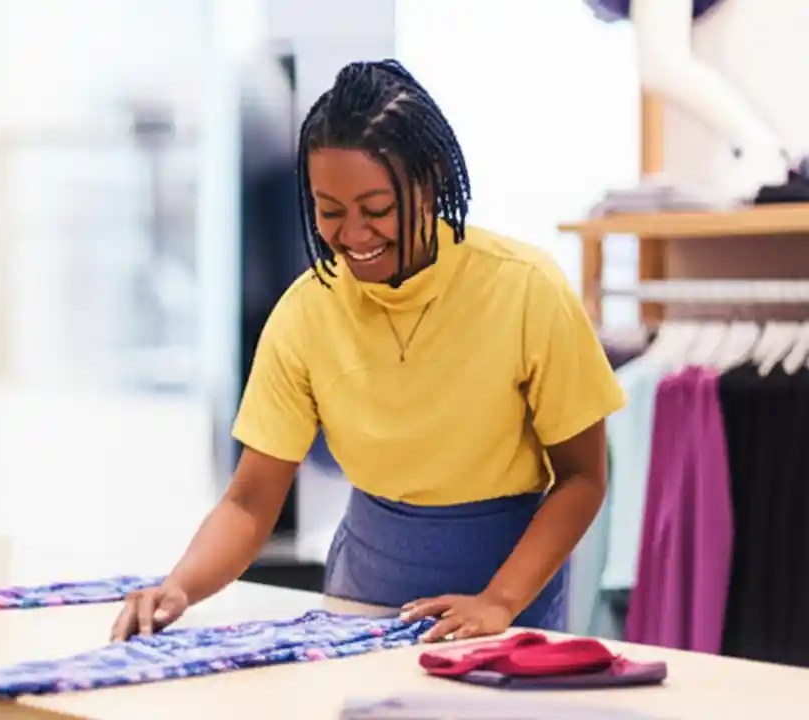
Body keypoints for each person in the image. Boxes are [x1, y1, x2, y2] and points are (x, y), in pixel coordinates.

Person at [110, 59, 626, 643]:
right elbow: (250, 504)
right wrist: (179, 586)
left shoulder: (527, 288)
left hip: (505, 603)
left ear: (429, 181)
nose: (354, 235)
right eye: (330, 211)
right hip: (359, 597)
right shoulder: (307, 312)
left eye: (377, 210)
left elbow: (583, 477)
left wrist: (499, 601)